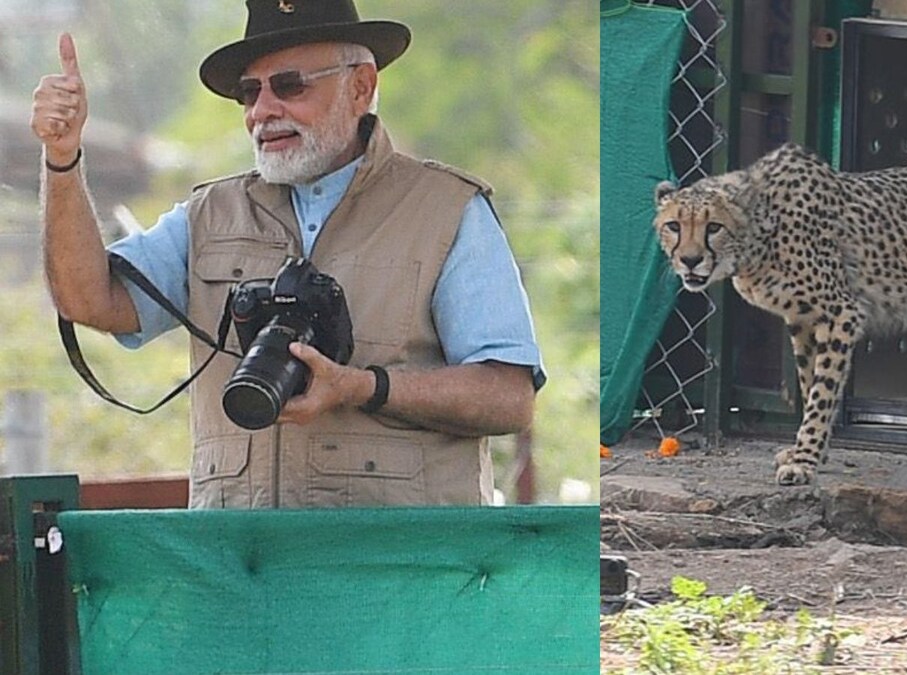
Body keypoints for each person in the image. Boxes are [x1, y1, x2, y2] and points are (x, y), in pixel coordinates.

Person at [30, 0, 544, 509]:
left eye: (290, 85)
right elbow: (87, 300)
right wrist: (62, 156)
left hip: (399, 557)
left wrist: (362, 387)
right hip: (239, 554)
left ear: (361, 87)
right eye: (250, 92)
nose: (262, 111)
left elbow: (509, 398)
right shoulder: (210, 214)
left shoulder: (445, 208)